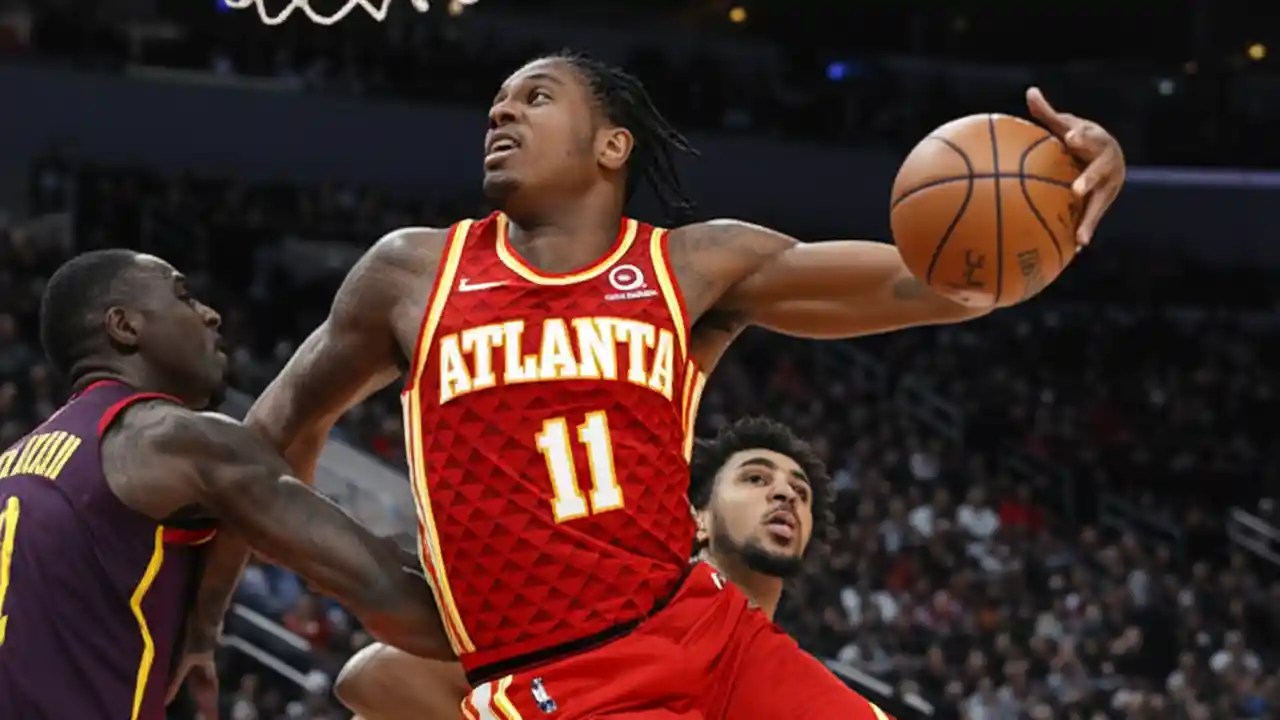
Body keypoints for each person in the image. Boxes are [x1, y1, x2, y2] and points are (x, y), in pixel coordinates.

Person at [235, 52, 1124, 717]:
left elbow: (941, 285)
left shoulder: (694, 265)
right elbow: (268, 442)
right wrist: (222, 609)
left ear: (612, 143)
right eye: (496, 106)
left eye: (535, 97)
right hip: (563, 669)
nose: (502, 114)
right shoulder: (414, 272)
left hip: (704, 629)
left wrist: (1062, 211)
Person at [0, 249, 452, 720]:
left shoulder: (16, 462)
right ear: (125, 326)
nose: (211, 314)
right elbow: (380, 587)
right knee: (380, 686)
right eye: (184, 297)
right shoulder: (168, 437)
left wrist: (201, 627)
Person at [333, 416, 882, 719]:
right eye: (756, 479)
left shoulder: (778, 672)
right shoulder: (620, 597)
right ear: (697, 518)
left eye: (800, 493)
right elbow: (372, 679)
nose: (784, 494)